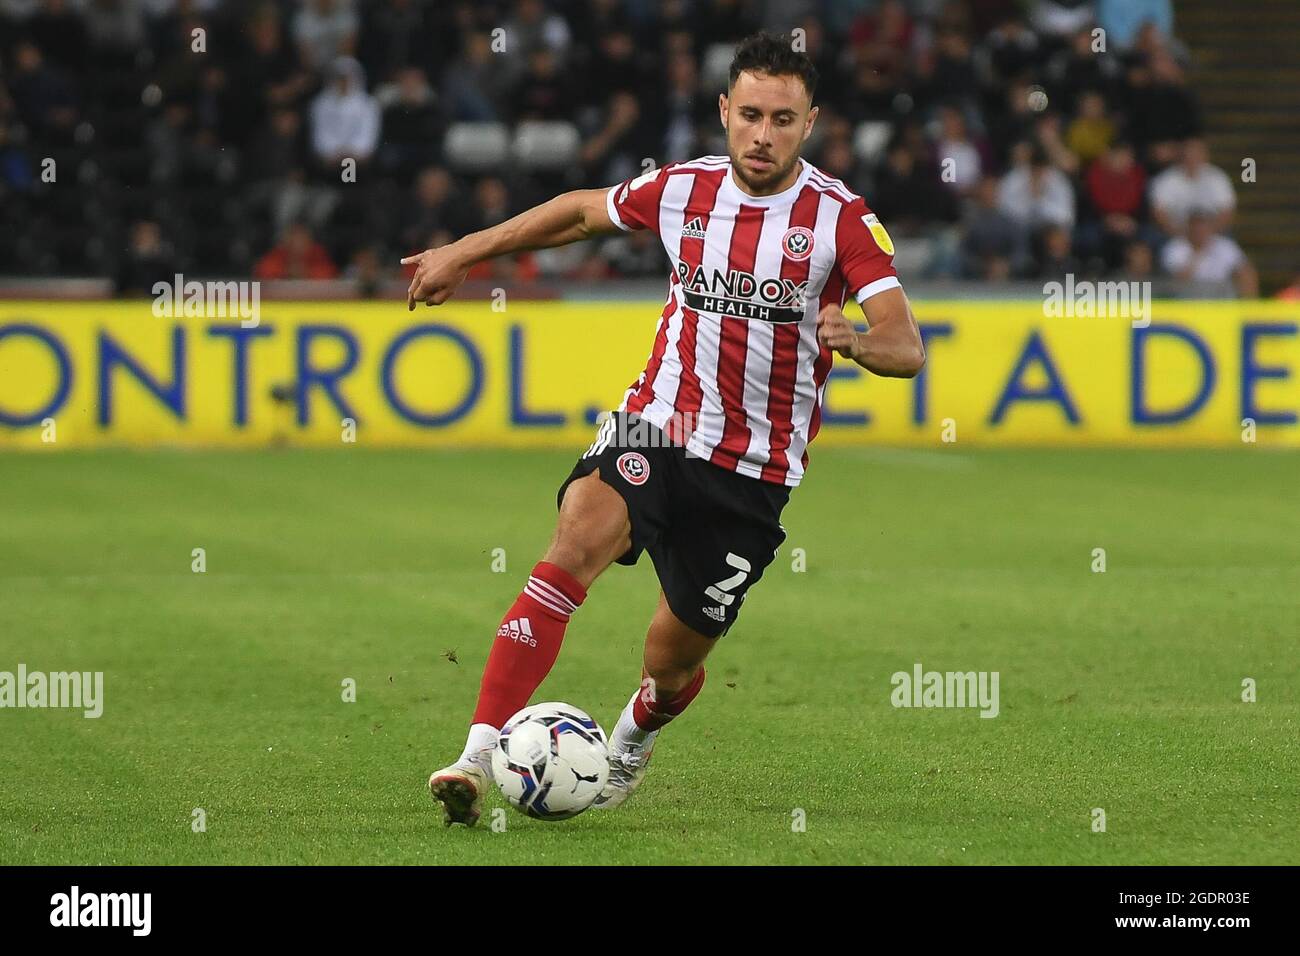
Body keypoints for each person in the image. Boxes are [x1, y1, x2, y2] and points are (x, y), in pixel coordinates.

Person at [403, 32, 925, 827]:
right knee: (574, 542)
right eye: (749, 114)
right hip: (658, 424)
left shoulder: (839, 219)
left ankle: (632, 740)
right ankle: (476, 753)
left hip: (752, 473)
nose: (762, 134)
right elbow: (580, 213)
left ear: (809, 123)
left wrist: (855, 338)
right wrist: (465, 252)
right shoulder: (683, 189)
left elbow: (906, 343)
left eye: (782, 120)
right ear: (724, 111)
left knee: (671, 662)